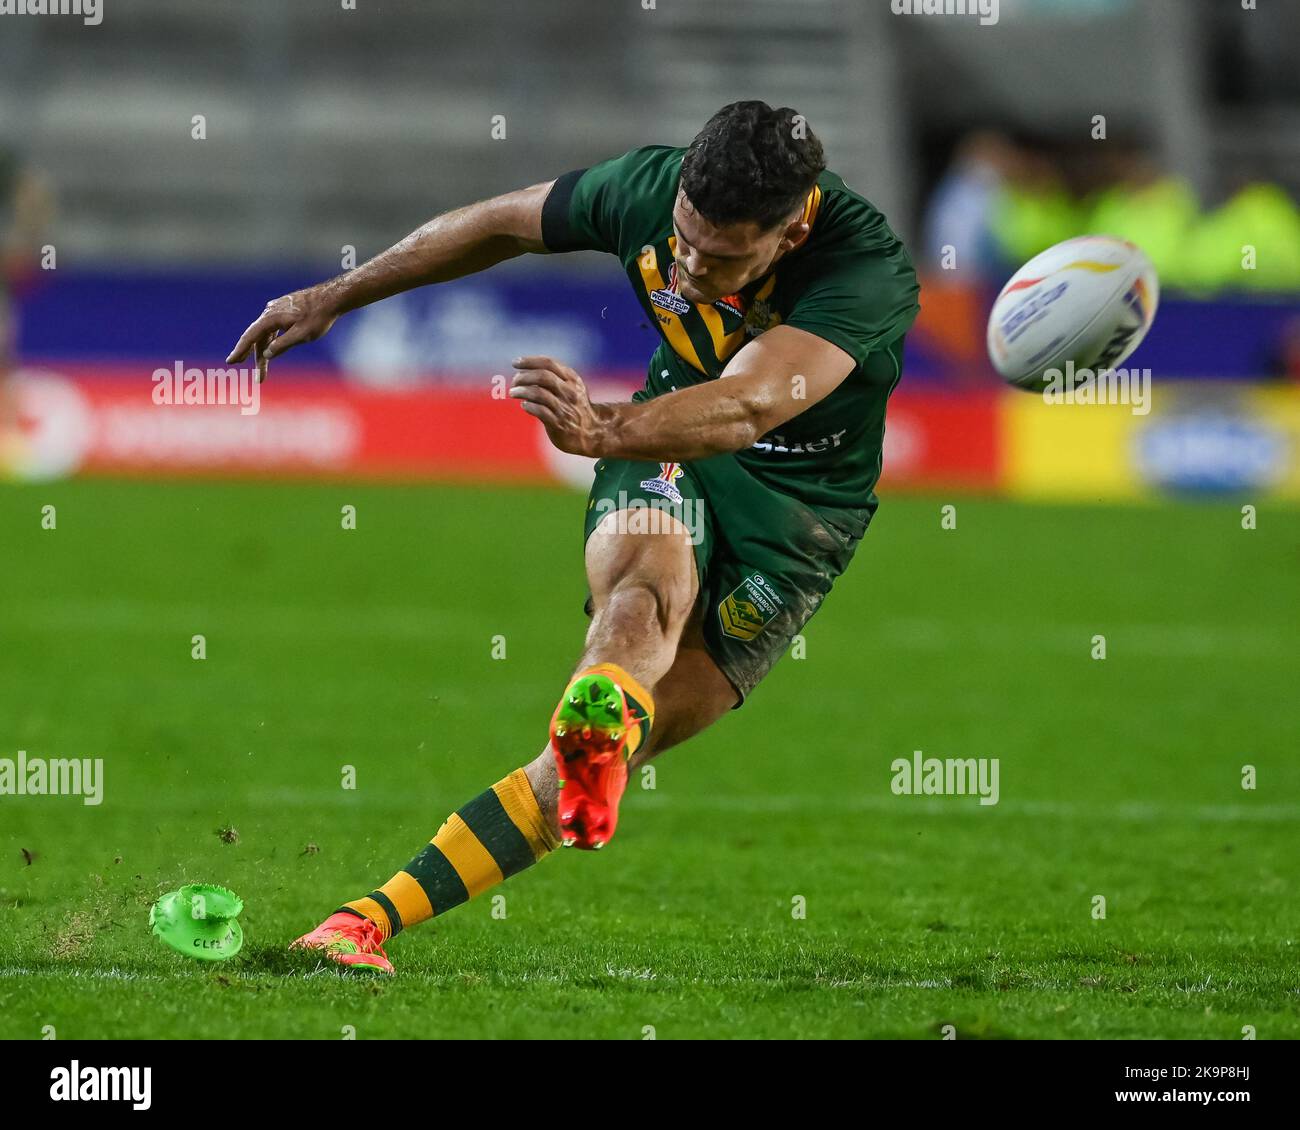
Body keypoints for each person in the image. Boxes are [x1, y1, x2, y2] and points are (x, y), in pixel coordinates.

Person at [227, 101, 919, 974]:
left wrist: (603, 432)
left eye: (726, 255)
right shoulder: (647, 186)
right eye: (685, 240)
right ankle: (355, 926)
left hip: (797, 518)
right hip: (667, 449)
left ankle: (588, 751)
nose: (693, 266)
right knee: (639, 599)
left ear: (791, 230)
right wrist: (337, 294)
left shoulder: (866, 269)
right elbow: (497, 222)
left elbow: (748, 404)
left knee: (598, 759)